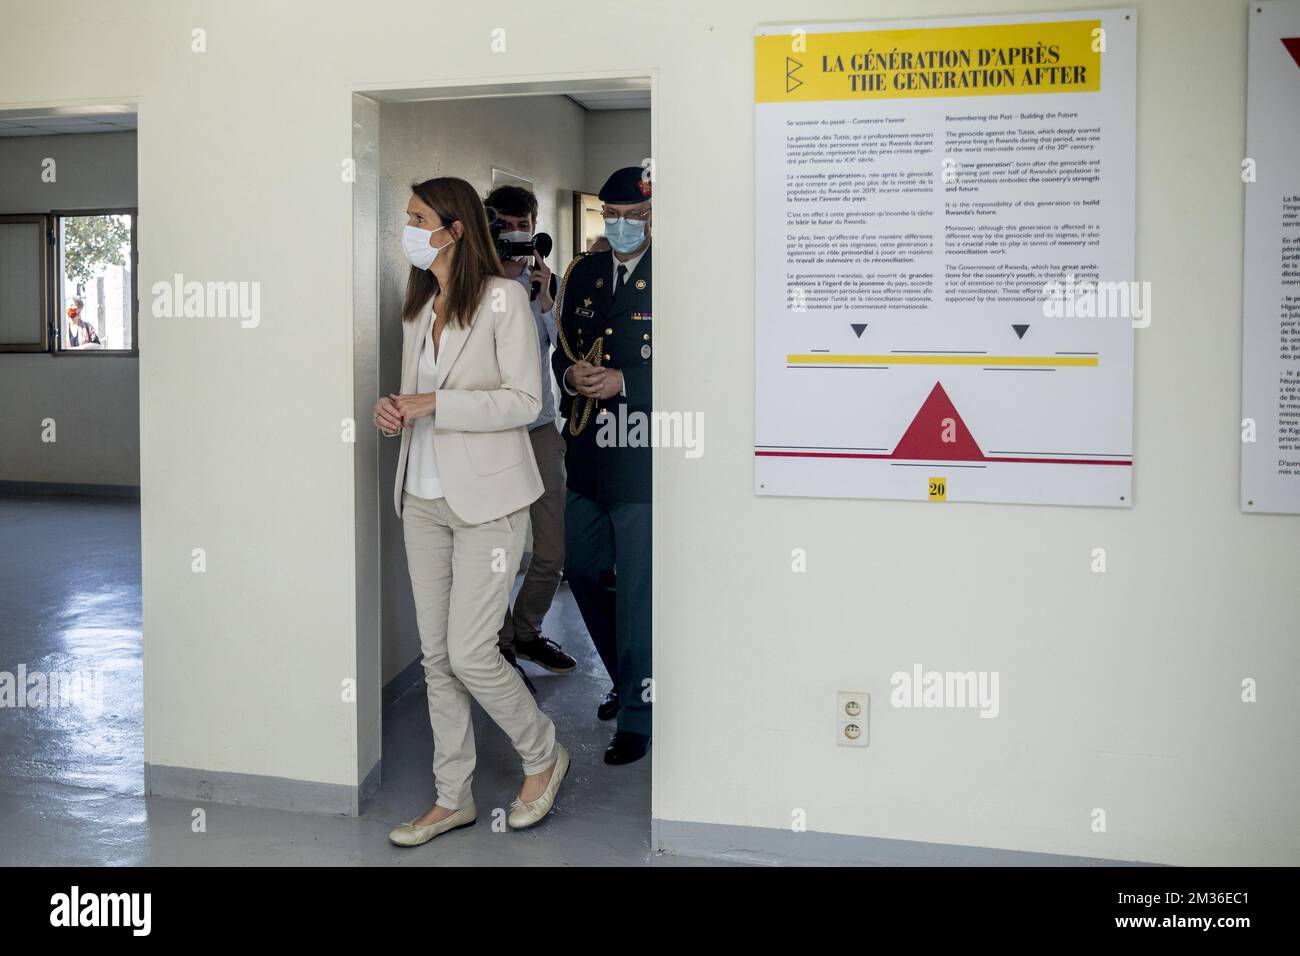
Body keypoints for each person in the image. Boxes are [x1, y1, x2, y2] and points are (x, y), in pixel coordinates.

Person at [373, 176, 569, 847]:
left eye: (418, 217)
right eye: (408, 217)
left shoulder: (504, 300)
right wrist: (395, 408)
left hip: (489, 505)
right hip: (422, 498)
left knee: (470, 652)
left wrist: (436, 406)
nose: (408, 229)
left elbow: (524, 403)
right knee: (436, 659)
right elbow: (416, 398)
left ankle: (542, 753)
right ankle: (451, 797)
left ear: (454, 229)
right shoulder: (419, 307)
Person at [552, 166, 653, 765]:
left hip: (641, 449)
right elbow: (562, 341)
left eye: (634, 218)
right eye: (612, 217)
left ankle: (638, 712)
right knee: (584, 569)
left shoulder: (678, 273)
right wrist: (572, 374)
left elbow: (705, 360)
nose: (621, 227)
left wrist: (628, 380)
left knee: (639, 590)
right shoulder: (583, 273)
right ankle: (624, 672)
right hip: (589, 446)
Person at [483, 184, 577, 682]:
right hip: (492, 436)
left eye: (525, 226)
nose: (517, 236)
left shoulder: (548, 284)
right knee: (495, 552)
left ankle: (526, 631)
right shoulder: (472, 283)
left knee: (552, 549)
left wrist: (542, 296)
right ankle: (501, 653)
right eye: (507, 225)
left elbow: (560, 351)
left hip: (539, 430)